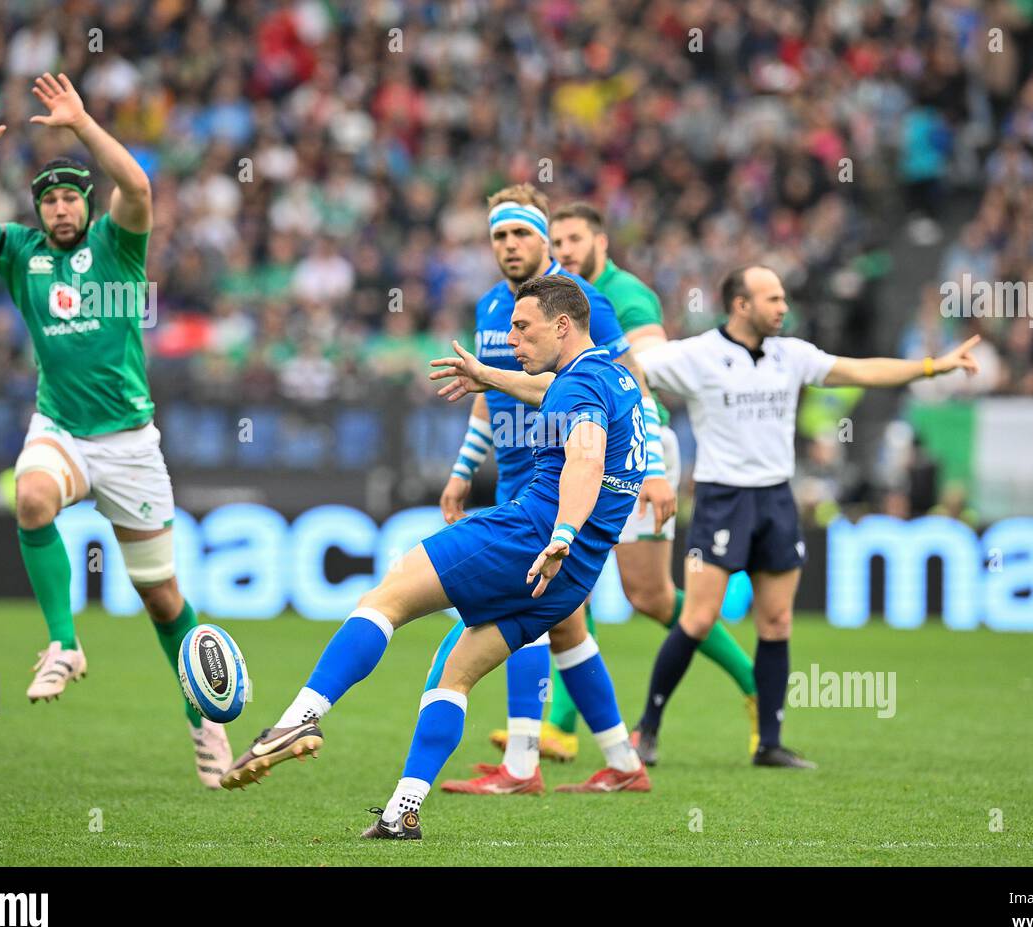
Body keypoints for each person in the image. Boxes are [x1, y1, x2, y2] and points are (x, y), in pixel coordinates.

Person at [222, 275, 652, 838]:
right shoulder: (612, 377)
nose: (512, 339)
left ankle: (298, 718)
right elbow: (551, 395)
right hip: (571, 578)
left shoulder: (577, 390)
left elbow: (586, 458)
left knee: (386, 598)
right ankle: (403, 812)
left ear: (563, 325)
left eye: (522, 328)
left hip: (530, 534)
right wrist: (486, 376)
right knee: (454, 675)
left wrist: (562, 531)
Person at [0, 76, 231, 788]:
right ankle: (63, 644)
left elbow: (140, 186)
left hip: (129, 443)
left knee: (163, 600)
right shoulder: (19, 252)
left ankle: (204, 718)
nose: (61, 207)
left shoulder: (116, 248)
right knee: (31, 499)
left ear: (86, 206)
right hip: (60, 426)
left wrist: (84, 124)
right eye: (50, 199)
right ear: (38, 209)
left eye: (71, 197)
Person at [631, 265, 980, 767]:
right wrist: (643, 429)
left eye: (782, 297)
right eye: (772, 299)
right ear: (740, 305)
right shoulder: (697, 354)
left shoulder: (789, 355)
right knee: (700, 616)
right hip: (722, 498)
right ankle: (649, 728)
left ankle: (768, 742)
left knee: (776, 621)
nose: (783, 307)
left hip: (775, 499)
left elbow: (859, 371)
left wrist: (932, 367)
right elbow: (631, 371)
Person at [430, 185, 673, 794]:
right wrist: (463, 471)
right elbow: (486, 396)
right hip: (516, 475)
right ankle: (622, 763)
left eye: (521, 234)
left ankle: (521, 765)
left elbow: (632, 385)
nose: (509, 246)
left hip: (565, 480)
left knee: (529, 613)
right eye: (498, 236)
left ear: (542, 239)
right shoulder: (491, 307)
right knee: (564, 626)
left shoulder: (583, 305)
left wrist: (659, 465)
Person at [543, 201, 761, 761]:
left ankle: (755, 685)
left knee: (650, 596)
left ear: (601, 241)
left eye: (573, 239)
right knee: (572, 582)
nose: (563, 250)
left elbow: (645, 381)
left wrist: (657, 470)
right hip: (592, 445)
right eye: (557, 240)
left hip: (638, 449)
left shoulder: (629, 296)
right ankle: (561, 728)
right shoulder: (559, 296)